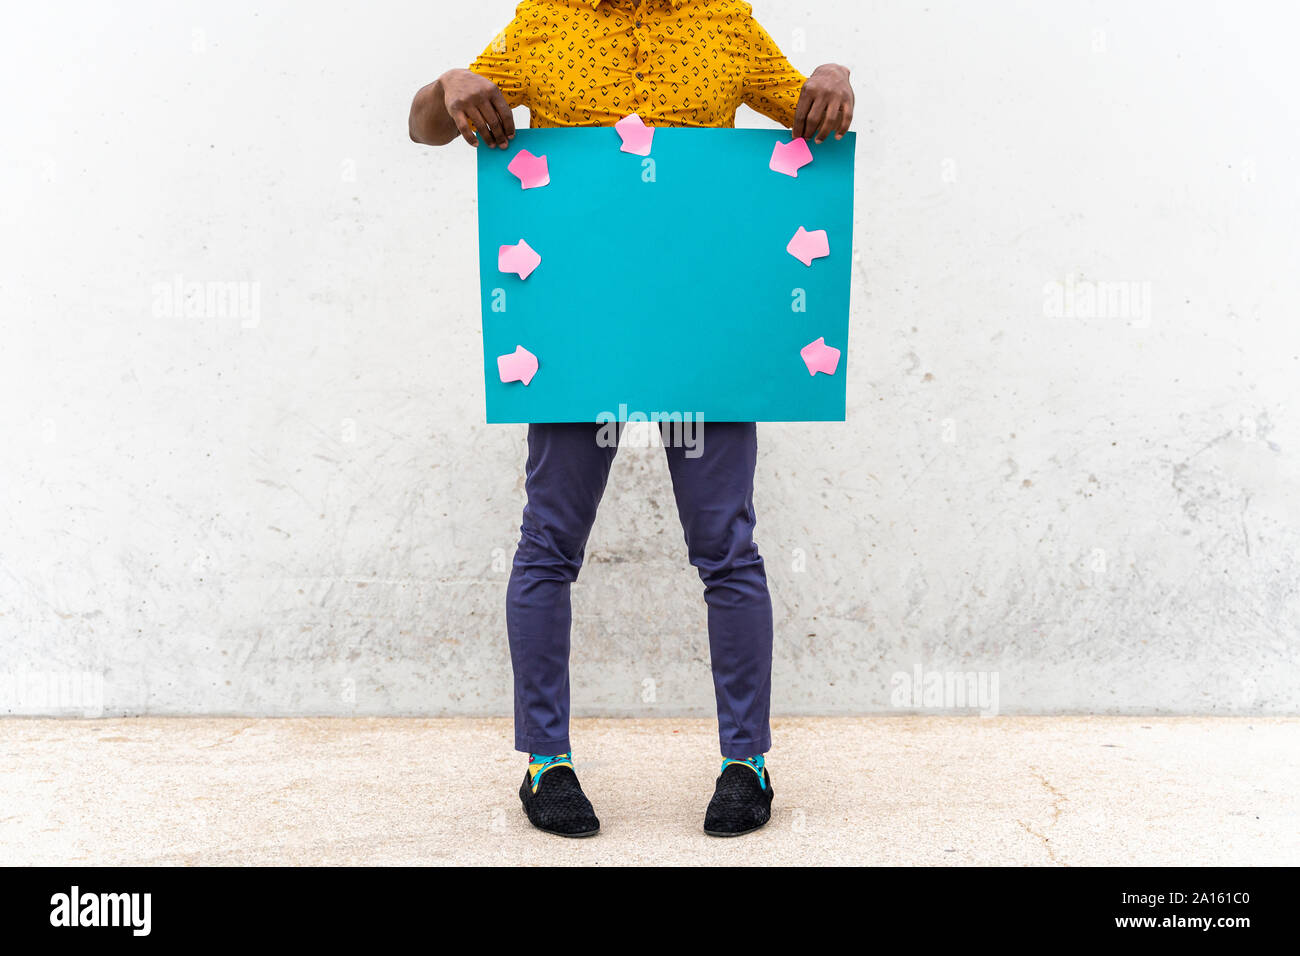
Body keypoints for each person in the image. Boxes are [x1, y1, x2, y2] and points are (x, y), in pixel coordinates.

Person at [409, 0, 854, 838]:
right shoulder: (543, 27)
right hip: (580, 335)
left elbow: (811, 119)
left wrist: (829, 79)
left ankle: (745, 762)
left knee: (726, 545)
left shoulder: (724, 27)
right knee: (549, 541)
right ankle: (546, 763)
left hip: (704, 335)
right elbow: (425, 128)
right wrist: (450, 83)